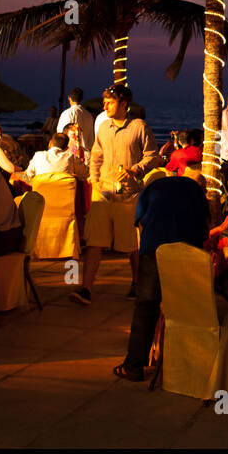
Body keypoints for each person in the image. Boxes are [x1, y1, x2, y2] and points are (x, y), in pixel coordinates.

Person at [112, 172, 211, 381]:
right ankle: (189, 364)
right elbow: (205, 230)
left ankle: (134, 366)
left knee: (146, 307)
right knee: (188, 305)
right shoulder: (195, 192)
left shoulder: (151, 189)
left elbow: (139, 224)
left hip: (154, 252)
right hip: (189, 253)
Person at [76, 83, 158, 304]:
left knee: (131, 245)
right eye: (105, 101)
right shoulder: (103, 127)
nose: (105, 105)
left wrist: (135, 169)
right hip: (103, 193)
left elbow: (153, 156)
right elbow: (96, 155)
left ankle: (137, 283)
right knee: (94, 242)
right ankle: (86, 290)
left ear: (124, 104)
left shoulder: (139, 127)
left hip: (129, 195)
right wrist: (94, 181)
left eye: (110, 102)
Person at [21, 132, 87, 183]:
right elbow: (86, 173)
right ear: (67, 148)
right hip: (65, 198)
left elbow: (28, 176)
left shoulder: (38, 156)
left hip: (41, 198)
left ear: (50, 143)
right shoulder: (71, 157)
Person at [56, 87, 95, 153]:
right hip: (86, 154)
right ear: (81, 99)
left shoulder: (67, 113)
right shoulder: (89, 115)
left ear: (69, 98)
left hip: (71, 154)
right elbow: (91, 140)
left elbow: (60, 135)